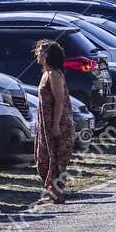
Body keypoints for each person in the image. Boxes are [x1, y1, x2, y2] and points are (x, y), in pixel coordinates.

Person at [33, 39, 72, 202]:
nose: (38, 53)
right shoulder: (45, 74)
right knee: (43, 156)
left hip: (57, 122)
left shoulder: (54, 75)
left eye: (42, 51)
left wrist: (56, 125)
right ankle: (50, 189)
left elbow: (60, 101)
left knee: (56, 156)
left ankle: (57, 191)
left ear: (49, 55)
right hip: (45, 122)